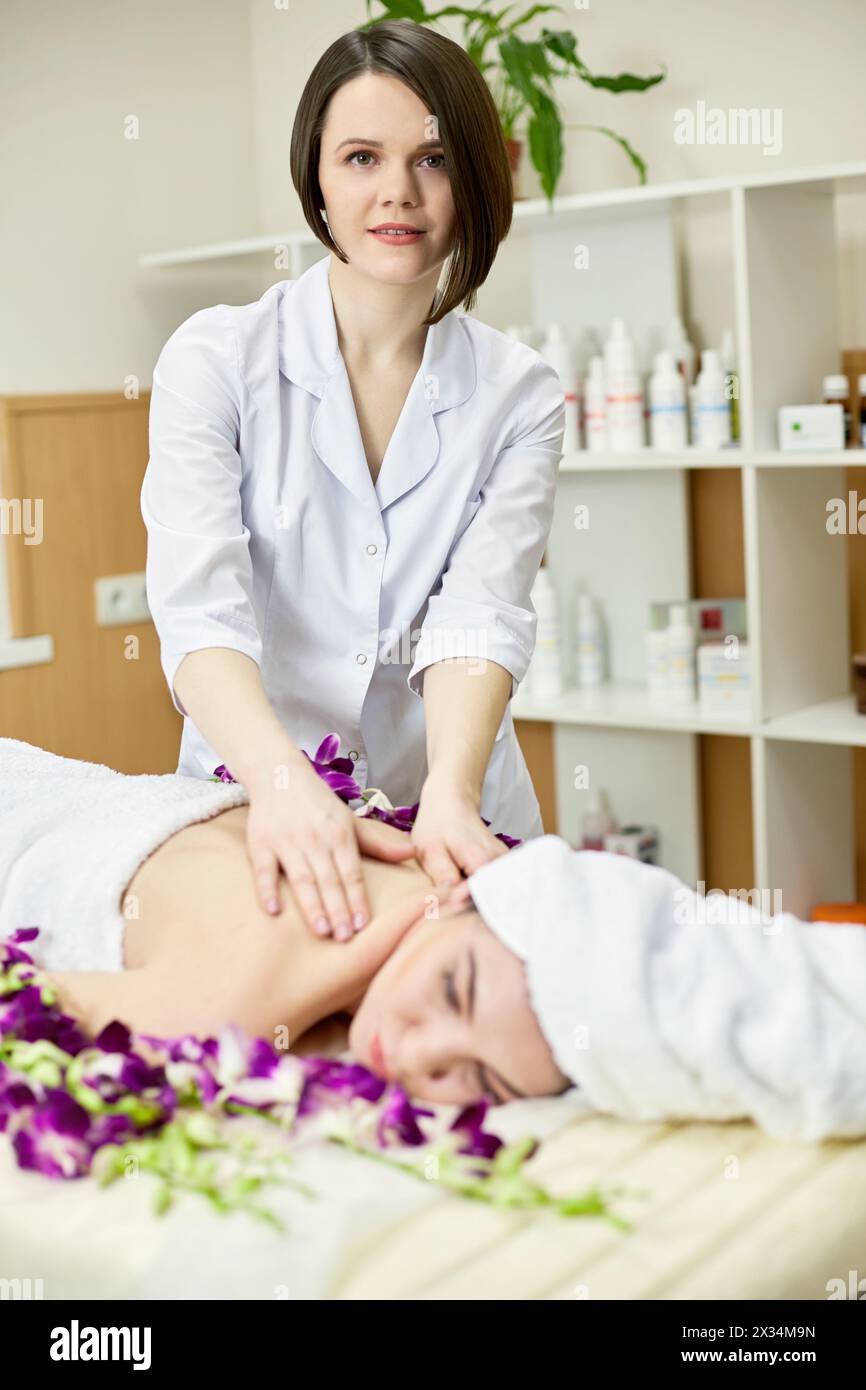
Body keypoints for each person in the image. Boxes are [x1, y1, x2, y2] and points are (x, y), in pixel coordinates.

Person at [141, 18, 565, 945]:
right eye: (362, 157)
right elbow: (201, 617)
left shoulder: (518, 394)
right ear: (318, 179)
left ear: (474, 183)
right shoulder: (215, 360)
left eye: (435, 159)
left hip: (449, 806)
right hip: (260, 800)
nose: (398, 194)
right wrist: (286, 783)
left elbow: (478, 616)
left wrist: (450, 799)